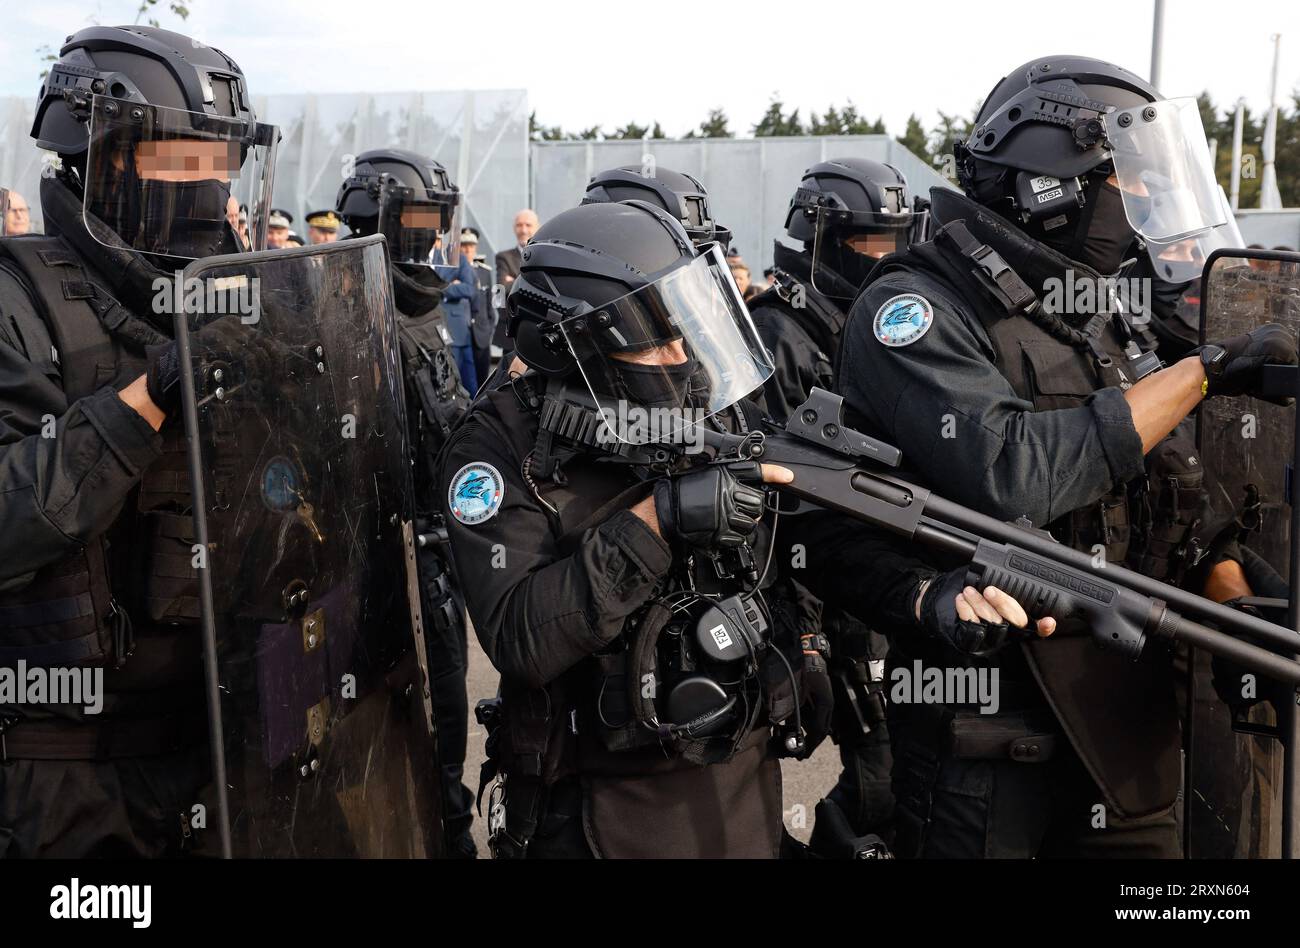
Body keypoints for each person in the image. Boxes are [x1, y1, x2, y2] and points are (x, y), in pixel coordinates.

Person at [439, 198, 1052, 858]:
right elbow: (519, 636)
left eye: (684, 330)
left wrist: (926, 595)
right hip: (591, 810)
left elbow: (815, 542)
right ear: (576, 339)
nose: (682, 354)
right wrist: (658, 521)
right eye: (656, 338)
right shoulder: (498, 450)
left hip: (734, 785)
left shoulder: (704, 417)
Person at [822, 55, 1297, 858]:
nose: (1143, 199)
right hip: (992, 744)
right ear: (1049, 176)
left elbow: (1169, 483)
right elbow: (1011, 472)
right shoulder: (914, 308)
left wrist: (1231, 588)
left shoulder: (1094, 305)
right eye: (1127, 176)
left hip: (1125, 729)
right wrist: (1203, 371)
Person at [0, 23, 277, 857]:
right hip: (65, 777)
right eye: (179, 160)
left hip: (219, 752)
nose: (207, 188)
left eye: (219, 163)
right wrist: (148, 396)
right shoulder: (18, 300)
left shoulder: (237, 301)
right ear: (100, 158)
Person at [748, 157, 918, 851]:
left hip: (882, 586)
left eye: (897, 243)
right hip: (820, 598)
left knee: (902, 773)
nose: (886, 260)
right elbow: (774, 505)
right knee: (881, 779)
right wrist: (808, 638)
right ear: (818, 239)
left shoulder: (879, 329)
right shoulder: (777, 335)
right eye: (870, 244)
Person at [335, 146, 477, 856]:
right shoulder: (326, 304)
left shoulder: (431, 305)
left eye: (435, 220)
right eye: (414, 218)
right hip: (355, 563)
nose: (425, 235)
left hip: (430, 555)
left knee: (443, 733)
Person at [492, 208, 539, 353]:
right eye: (519, 225)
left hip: (537, 331)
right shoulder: (503, 257)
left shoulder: (544, 257)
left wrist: (514, 280)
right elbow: (500, 290)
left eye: (528, 225)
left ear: (537, 228)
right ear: (514, 228)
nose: (523, 230)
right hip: (511, 331)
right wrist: (532, 281)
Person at [460, 227, 495, 386]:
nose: (468, 250)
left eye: (471, 246)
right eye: (464, 245)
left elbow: (490, 305)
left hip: (481, 333)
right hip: (461, 333)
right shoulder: (452, 271)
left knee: (482, 380)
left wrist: (488, 329)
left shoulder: (484, 273)